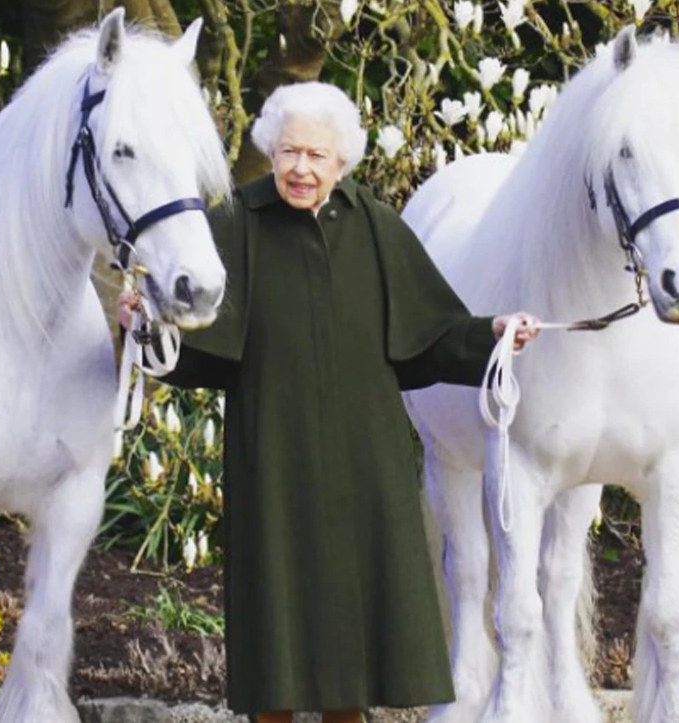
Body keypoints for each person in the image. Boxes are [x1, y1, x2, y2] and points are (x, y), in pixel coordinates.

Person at [119, 81, 539, 723]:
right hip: (273, 463)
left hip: (362, 468)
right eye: (289, 152)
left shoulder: (374, 225)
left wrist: (494, 332)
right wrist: (146, 324)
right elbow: (195, 343)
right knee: (275, 641)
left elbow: (429, 334)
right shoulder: (236, 221)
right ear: (271, 151)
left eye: (316, 156)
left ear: (342, 161)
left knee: (356, 644)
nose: (300, 169)